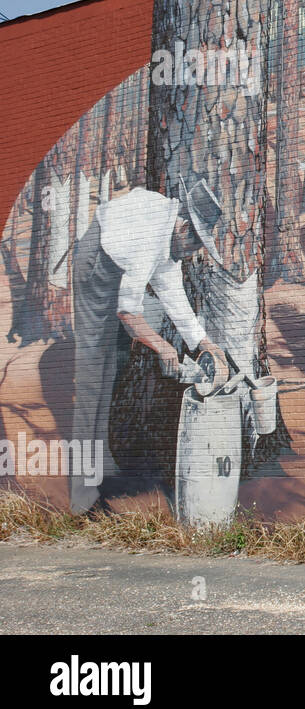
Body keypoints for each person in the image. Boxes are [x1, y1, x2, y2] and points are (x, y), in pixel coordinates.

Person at [70, 179, 229, 513]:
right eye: (196, 241)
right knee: (92, 375)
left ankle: (102, 465)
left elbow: (173, 293)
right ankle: (82, 497)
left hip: (120, 262)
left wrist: (203, 343)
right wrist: (164, 348)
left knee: (113, 367)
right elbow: (128, 312)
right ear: (184, 226)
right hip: (97, 262)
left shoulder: (169, 236)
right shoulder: (148, 238)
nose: (196, 250)